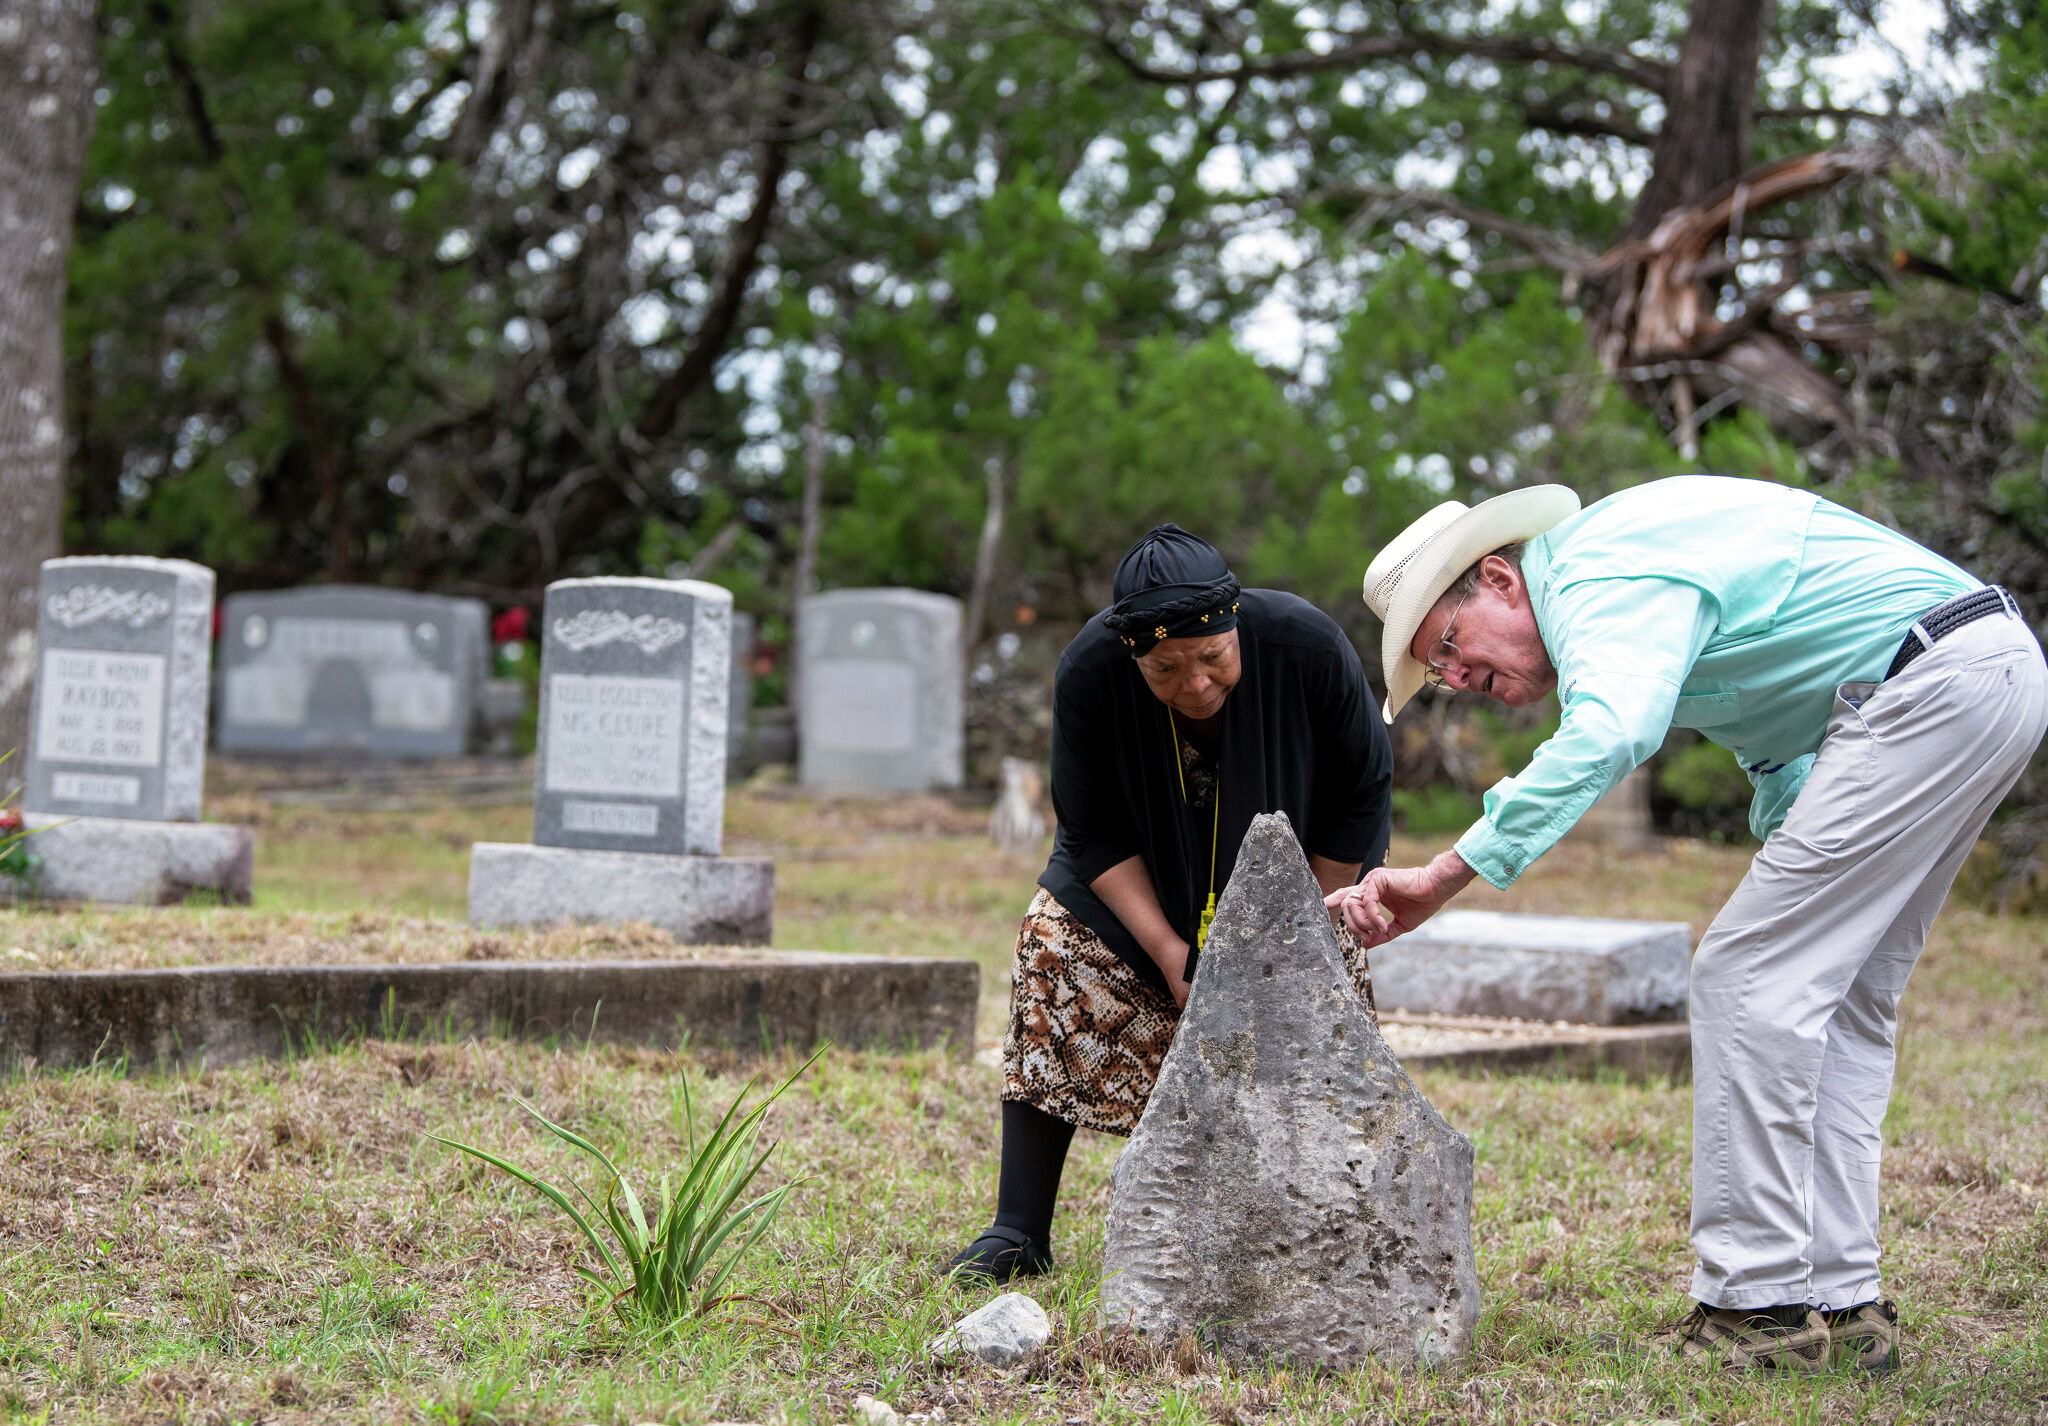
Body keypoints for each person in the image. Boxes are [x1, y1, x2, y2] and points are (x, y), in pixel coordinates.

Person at [1332, 474, 2048, 1374]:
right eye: (1443, 675)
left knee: (1745, 976)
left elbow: (1610, 731)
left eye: (1449, 643)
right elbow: (1786, 742)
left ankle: (1758, 1309)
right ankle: (1841, 1302)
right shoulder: (1635, 579)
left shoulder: (1596, 572)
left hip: (1934, 684)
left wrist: (1445, 873)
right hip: (1976, 670)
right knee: (1841, 996)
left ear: (1500, 579)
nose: (1462, 679)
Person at [947, 523, 1394, 1282]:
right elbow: (1089, 832)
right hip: (1143, 894)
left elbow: (1359, 796)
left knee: (1320, 1032)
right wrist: (1169, 953)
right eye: (1165, 669)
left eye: (1214, 659)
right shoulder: (1090, 673)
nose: (1195, 685)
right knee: (1052, 943)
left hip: (1300, 903)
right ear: (1132, 655)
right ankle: (1018, 1228)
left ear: (1236, 626)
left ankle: (1318, 1233)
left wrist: (1295, 942)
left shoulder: (1309, 649)